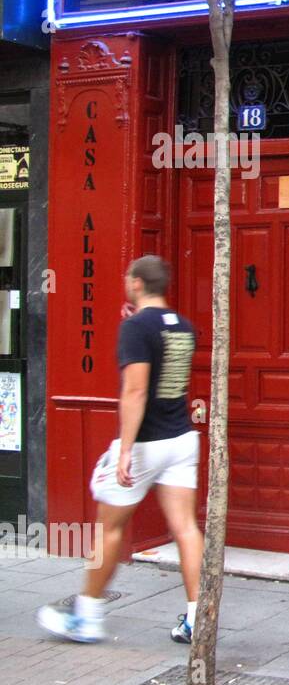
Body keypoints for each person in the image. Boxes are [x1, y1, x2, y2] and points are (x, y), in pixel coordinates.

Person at [37, 256, 201, 644]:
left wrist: (125, 451)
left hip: (144, 444)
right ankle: (198, 617)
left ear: (137, 283)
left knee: (109, 528)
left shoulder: (135, 328)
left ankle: (88, 615)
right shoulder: (183, 326)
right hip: (181, 438)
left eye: (128, 277)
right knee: (186, 527)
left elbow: (136, 390)